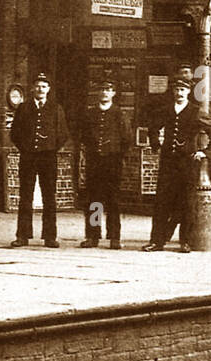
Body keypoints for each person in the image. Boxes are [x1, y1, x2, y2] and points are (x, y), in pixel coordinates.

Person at [142, 76, 211, 253]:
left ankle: (185, 242)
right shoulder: (165, 110)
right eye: (177, 90)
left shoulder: (196, 112)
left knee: (186, 203)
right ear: (173, 91)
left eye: (183, 90)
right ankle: (157, 241)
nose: (179, 93)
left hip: (188, 164)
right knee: (162, 202)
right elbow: (153, 127)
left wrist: (205, 152)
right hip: (168, 163)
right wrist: (156, 144)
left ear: (188, 92)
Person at [10, 73, 70, 248]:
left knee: (49, 197)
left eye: (44, 86)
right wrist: (25, 148)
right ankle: (22, 235)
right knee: (25, 196)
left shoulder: (56, 108)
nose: (40, 89)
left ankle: (50, 236)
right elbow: (15, 133)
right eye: (37, 86)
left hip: (48, 157)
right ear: (32, 88)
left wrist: (51, 148)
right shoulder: (24, 108)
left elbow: (63, 134)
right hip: (28, 156)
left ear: (49, 89)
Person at [79, 77, 131, 249]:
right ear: (98, 93)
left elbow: (126, 139)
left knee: (114, 200)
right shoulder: (89, 113)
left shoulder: (119, 113)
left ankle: (114, 237)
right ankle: (93, 236)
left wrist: (117, 156)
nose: (105, 93)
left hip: (113, 162)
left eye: (108, 90)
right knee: (94, 200)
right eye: (102, 89)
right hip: (94, 162)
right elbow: (84, 135)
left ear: (113, 93)